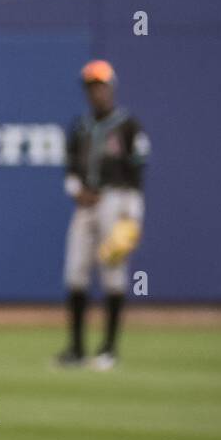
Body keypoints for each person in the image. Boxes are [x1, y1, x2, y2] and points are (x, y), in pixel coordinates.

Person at [56, 60, 150, 371]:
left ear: (111, 88)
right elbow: (69, 170)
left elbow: (137, 171)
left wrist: (133, 217)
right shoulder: (80, 127)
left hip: (116, 198)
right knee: (75, 272)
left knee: (113, 273)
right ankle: (77, 349)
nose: (96, 92)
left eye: (100, 85)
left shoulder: (127, 125)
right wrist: (76, 191)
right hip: (86, 203)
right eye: (91, 86)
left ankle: (109, 349)